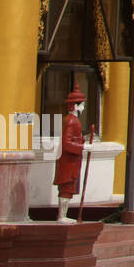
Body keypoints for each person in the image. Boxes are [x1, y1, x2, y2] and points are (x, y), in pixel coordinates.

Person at [53, 85, 87, 222]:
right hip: (68, 160)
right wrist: (83, 146)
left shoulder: (72, 121)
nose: (83, 108)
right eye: (82, 105)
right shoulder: (72, 121)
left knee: (68, 187)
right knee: (66, 187)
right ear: (76, 106)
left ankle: (63, 215)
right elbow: (67, 144)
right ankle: (62, 216)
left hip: (70, 160)